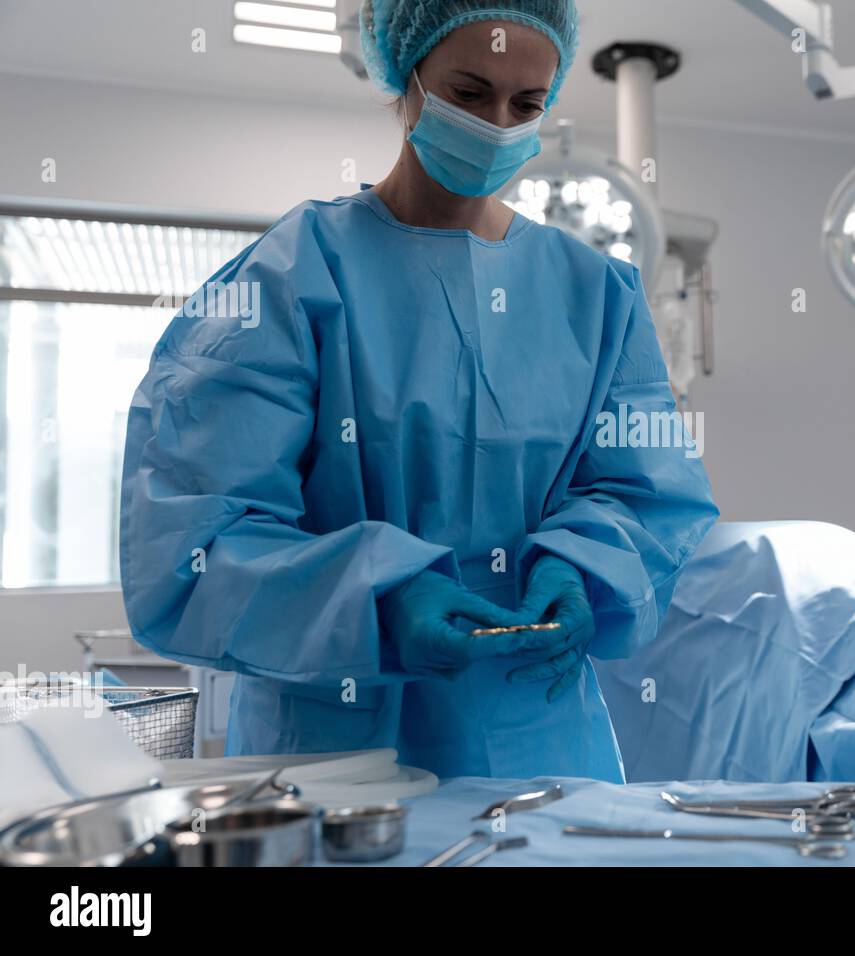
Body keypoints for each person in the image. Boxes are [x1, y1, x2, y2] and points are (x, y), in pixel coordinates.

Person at [118, 0, 717, 782]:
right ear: (404, 76)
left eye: (526, 104)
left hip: (539, 739)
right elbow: (195, 537)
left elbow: (647, 495)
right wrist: (381, 598)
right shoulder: (293, 277)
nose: (499, 124)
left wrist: (581, 564)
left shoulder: (597, 295)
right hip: (337, 748)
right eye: (469, 93)